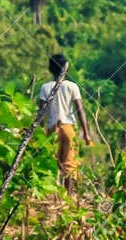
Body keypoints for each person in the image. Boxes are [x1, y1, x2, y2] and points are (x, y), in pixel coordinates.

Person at [38, 53, 92, 191]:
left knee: (52, 162)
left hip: (52, 129)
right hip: (68, 128)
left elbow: (41, 113)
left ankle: (54, 194)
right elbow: (80, 111)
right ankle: (68, 196)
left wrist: (38, 133)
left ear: (50, 69)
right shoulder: (72, 86)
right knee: (69, 164)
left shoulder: (45, 88)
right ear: (66, 69)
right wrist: (86, 134)